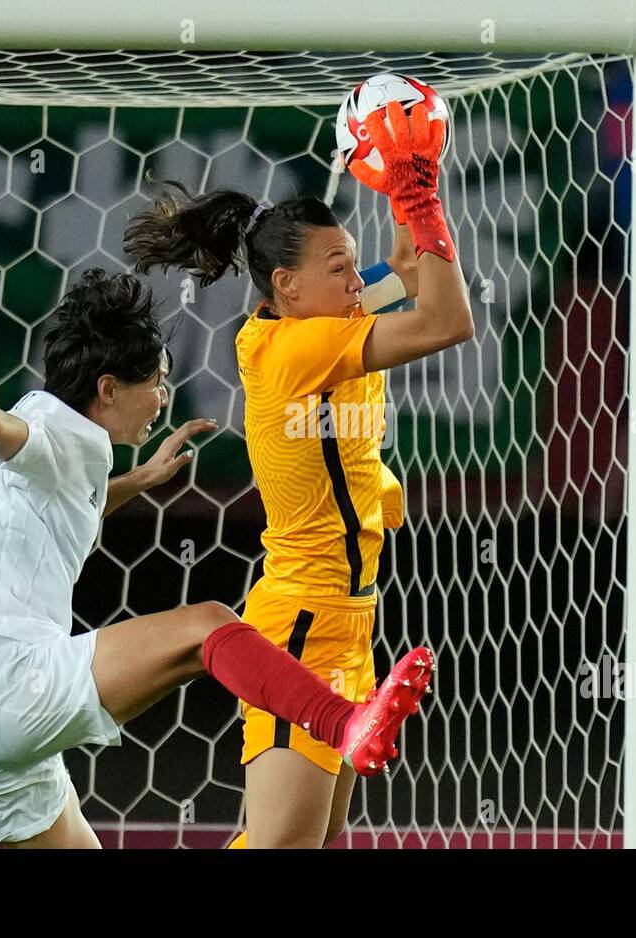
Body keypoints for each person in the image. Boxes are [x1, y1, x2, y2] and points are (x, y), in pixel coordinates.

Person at [0, 267, 433, 848]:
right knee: (205, 627)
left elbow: (64, 508)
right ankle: (344, 722)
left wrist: (138, 480)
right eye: (155, 381)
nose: (162, 397)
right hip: (7, 687)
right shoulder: (50, 427)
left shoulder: (70, 454)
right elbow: (3, 431)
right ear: (108, 390)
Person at [123, 100, 470, 847]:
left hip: (345, 622)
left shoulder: (327, 319)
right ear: (285, 285)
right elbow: (448, 321)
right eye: (339, 268)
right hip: (303, 630)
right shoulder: (294, 349)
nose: (356, 280)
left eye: (351, 265)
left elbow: (412, 270)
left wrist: (404, 185)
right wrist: (417, 199)